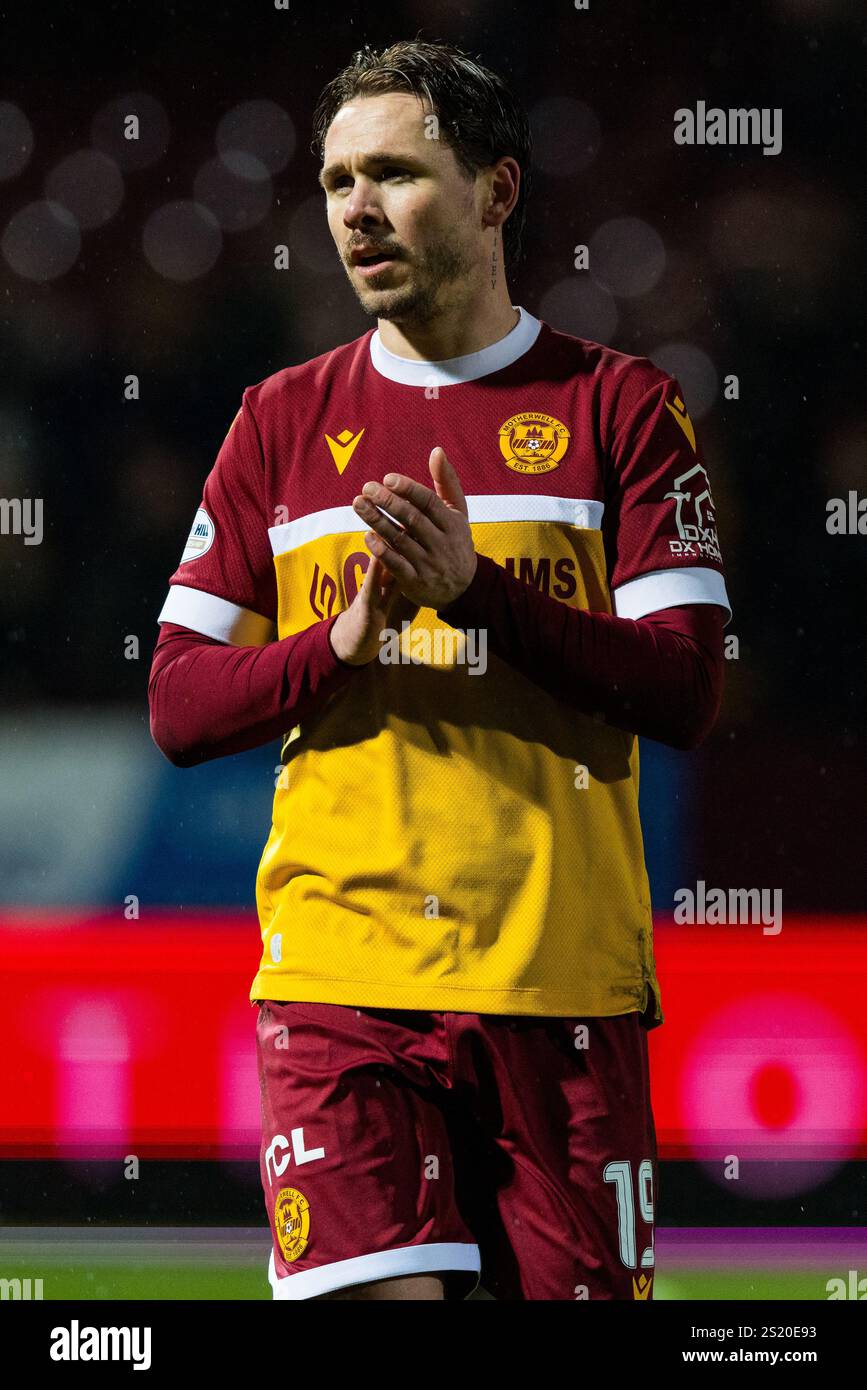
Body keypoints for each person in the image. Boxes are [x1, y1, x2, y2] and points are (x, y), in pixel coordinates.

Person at [149, 39, 730, 1301]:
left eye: (396, 175)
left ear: (496, 193)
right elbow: (181, 705)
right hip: (341, 982)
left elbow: (685, 690)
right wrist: (335, 648)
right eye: (338, 181)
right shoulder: (280, 421)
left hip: (560, 983)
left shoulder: (621, 408)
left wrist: (482, 595)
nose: (358, 209)